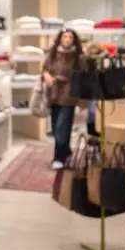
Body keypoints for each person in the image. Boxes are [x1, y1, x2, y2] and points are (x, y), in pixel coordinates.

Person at [43, 28, 83, 169]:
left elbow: (83, 73)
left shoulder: (78, 56)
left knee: (62, 127)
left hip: (69, 95)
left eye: (70, 37)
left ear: (74, 40)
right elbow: (45, 68)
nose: (67, 39)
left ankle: (57, 158)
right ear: (60, 38)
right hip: (54, 94)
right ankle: (66, 152)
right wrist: (46, 75)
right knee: (57, 128)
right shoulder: (53, 53)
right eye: (65, 37)